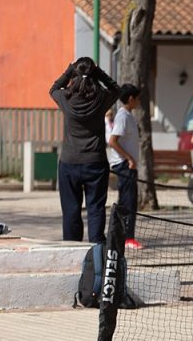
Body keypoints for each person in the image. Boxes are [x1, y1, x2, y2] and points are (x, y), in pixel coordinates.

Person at [49, 57, 120, 243]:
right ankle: (96, 249)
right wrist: (99, 72)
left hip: (69, 162)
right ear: (94, 74)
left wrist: (69, 71)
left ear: (75, 74)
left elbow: (53, 89)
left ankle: (71, 248)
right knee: (96, 209)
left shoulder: (66, 98)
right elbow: (116, 89)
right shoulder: (101, 98)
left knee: (70, 210)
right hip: (95, 162)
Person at [107, 84, 143, 250]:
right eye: (138, 98)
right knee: (129, 201)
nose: (139, 101)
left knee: (125, 201)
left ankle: (120, 235)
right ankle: (128, 238)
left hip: (128, 164)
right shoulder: (122, 116)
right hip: (124, 164)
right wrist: (128, 158)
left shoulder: (128, 116)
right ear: (130, 99)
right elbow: (112, 141)